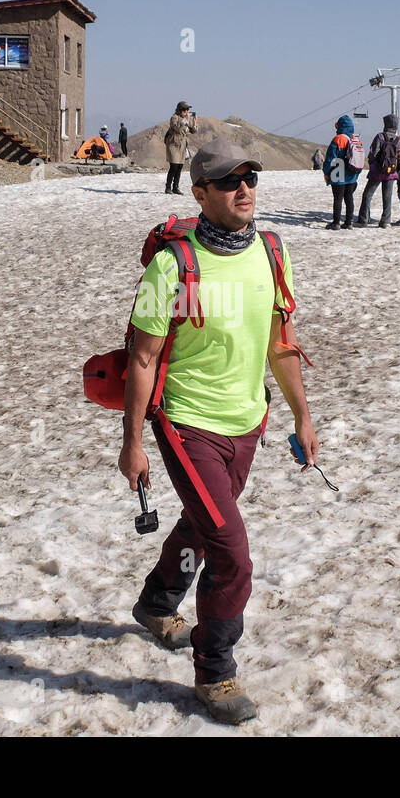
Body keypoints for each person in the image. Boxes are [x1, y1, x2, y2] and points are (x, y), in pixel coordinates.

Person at [121, 138, 320, 725]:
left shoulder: (272, 253)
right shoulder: (174, 265)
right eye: (230, 182)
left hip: (247, 421)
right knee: (232, 555)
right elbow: (142, 357)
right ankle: (216, 671)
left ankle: (158, 603)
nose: (245, 190)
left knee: (203, 526)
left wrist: (302, 417)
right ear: (200, 192)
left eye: (251, 179)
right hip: (187, 425)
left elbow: (280, 344)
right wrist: (133, 441)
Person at [354, 114, 400, 228]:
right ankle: (385, 221)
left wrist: (372, 163)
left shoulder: (380, 136)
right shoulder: (398, 140)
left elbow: (373, 153)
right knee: (387, 197)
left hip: (377, 171)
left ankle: (363, 220)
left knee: (367, 195)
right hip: (391, 172)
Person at [322, 114, 360, 229]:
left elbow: (330, 159)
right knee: (349, 198)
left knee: (338, 199)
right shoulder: (356, 139)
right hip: (352, 174)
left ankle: (336, 222)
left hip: (338, 174)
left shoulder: (338, 139)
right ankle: (349, 222)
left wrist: (326, 173)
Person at [164, 101, 196, 194]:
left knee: (179, 167)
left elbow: (193, 131)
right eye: (185, 110)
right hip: (173, 144)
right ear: (180, 110)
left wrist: (194, 123)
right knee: (174, 166)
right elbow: (176, 128)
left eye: (188, 110)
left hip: (182, 146)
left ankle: (176, 187)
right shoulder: (174, 117)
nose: (187, 112)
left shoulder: (186, 119)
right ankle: (168, 187)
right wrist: (184, 120)